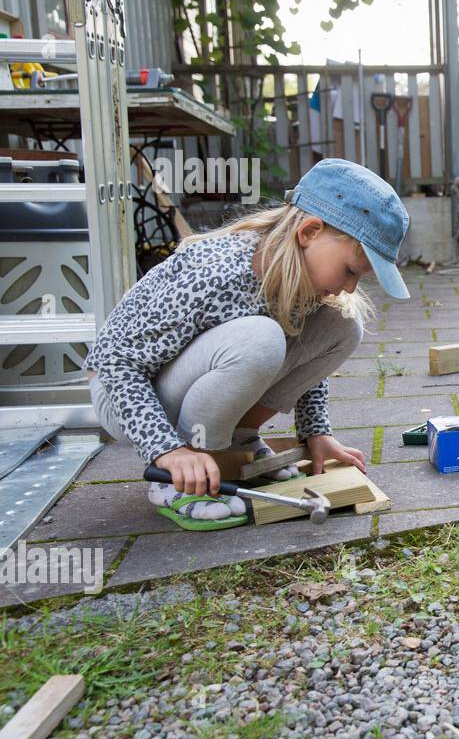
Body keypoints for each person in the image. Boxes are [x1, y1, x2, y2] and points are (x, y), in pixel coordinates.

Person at [85, 158, 409, 530]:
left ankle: (237, 442)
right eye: (350, 270)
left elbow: (305, 356)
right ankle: (185, 472)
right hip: (125, 397)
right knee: (261, 338)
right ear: (309, 232)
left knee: (343, 324)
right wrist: (168, 450)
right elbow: (116, 363)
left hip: (179, 387)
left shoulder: (298, 276)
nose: (350, 285)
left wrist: (315, 431)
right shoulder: (214, 272)